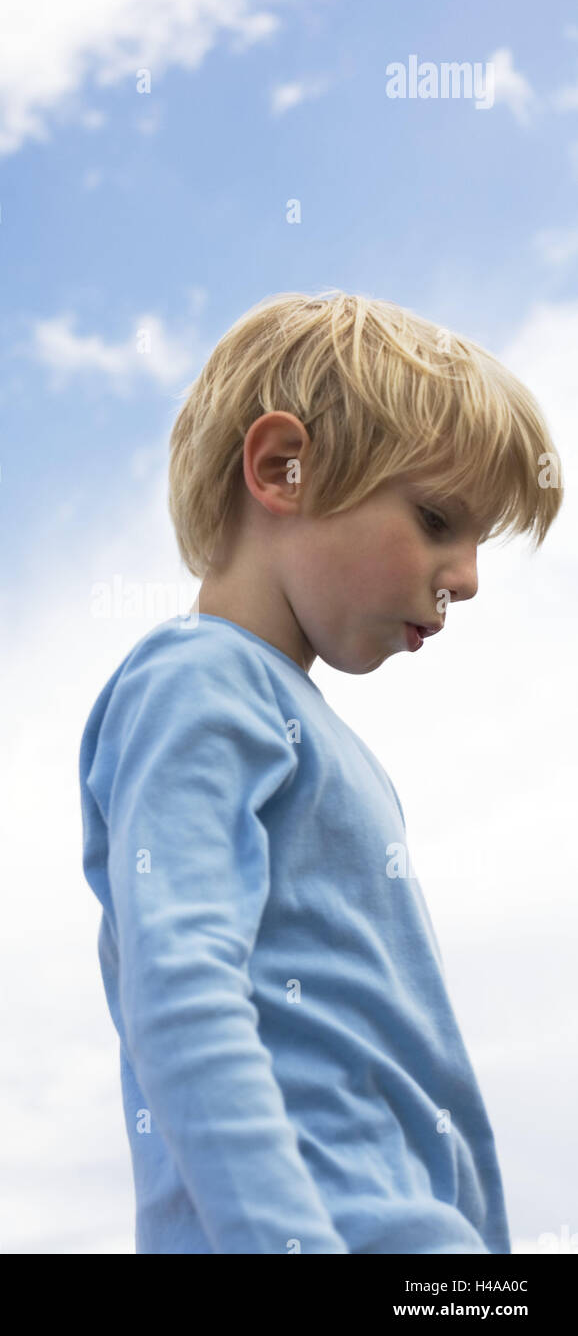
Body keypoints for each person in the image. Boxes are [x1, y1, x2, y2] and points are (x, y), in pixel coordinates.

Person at [78, 290, 563, 1253]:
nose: (465, 577)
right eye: (436, 519)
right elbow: (181, 989)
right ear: (280, 468)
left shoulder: (324, 741)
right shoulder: (200, 682)